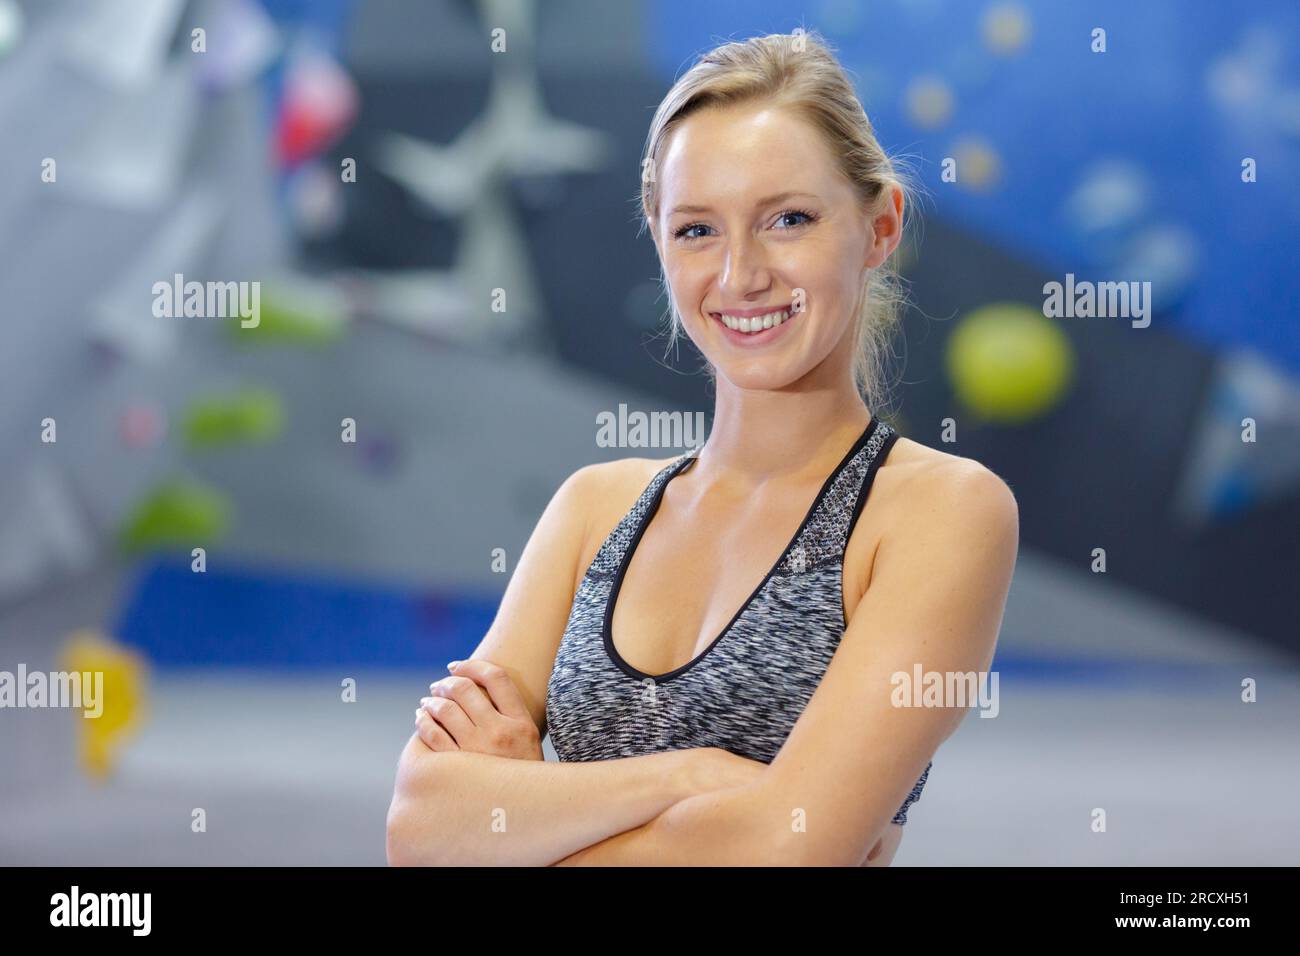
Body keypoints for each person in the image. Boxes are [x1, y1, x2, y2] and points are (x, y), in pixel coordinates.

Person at [386, 30, 1018, 867]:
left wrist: (522, 811)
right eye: (696, 231)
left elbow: (779, 850)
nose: (741, 274)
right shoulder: (594, 508)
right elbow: (421, 827)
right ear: (657, 240)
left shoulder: (942, 513)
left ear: (879, 225)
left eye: (788, 219)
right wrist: (687, 777)